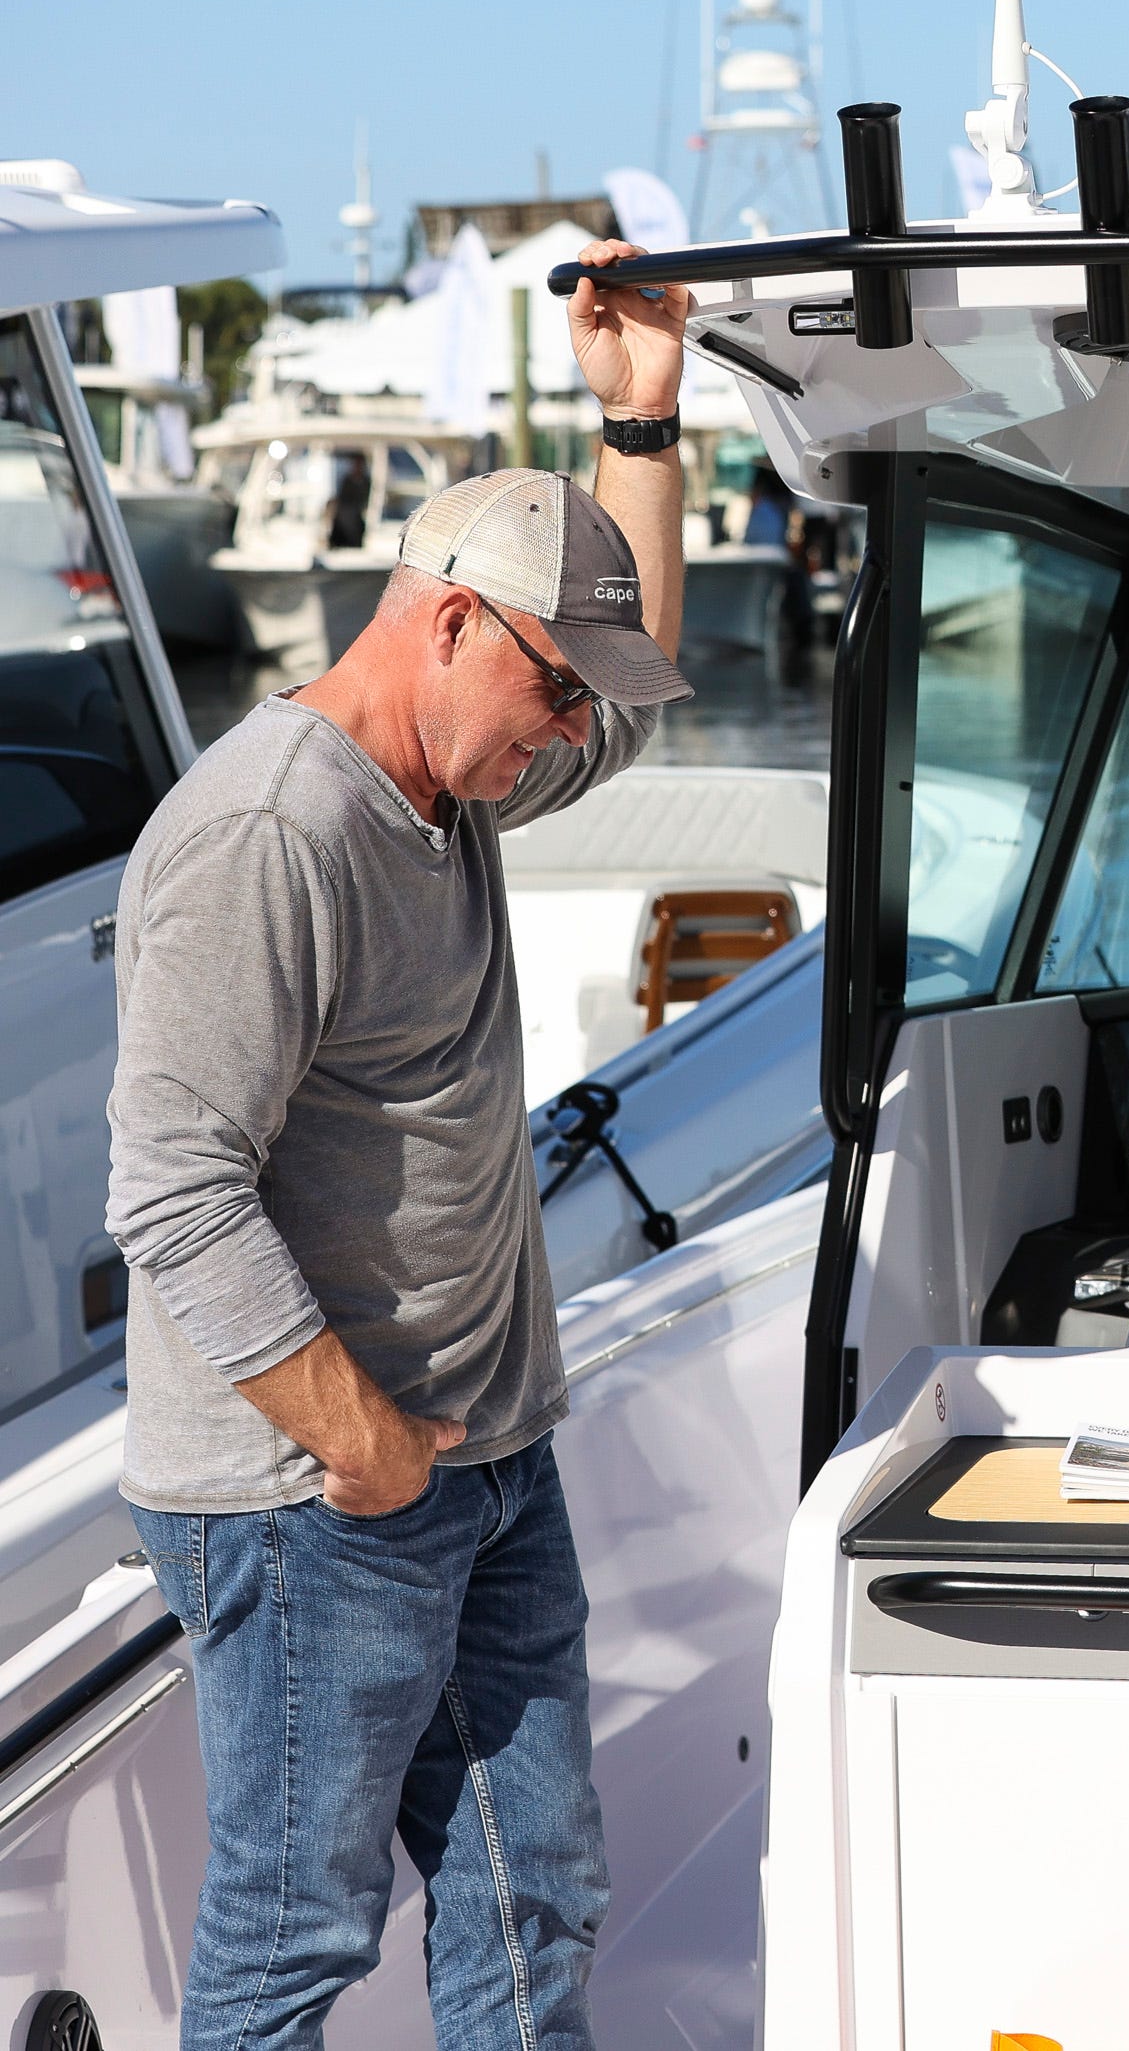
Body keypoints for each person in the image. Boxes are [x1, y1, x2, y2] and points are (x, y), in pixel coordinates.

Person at [104, 240, 694, 2049]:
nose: (571, 733)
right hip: (318, 1494)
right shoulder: (271, 833)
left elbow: (632, 687)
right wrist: (362, 1444)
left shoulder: (458, 775)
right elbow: (172, 1185)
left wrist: (642, 423)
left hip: (483, 1457)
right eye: (555, 690)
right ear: (448, 624)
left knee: (535, 1891)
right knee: (295, 1935)